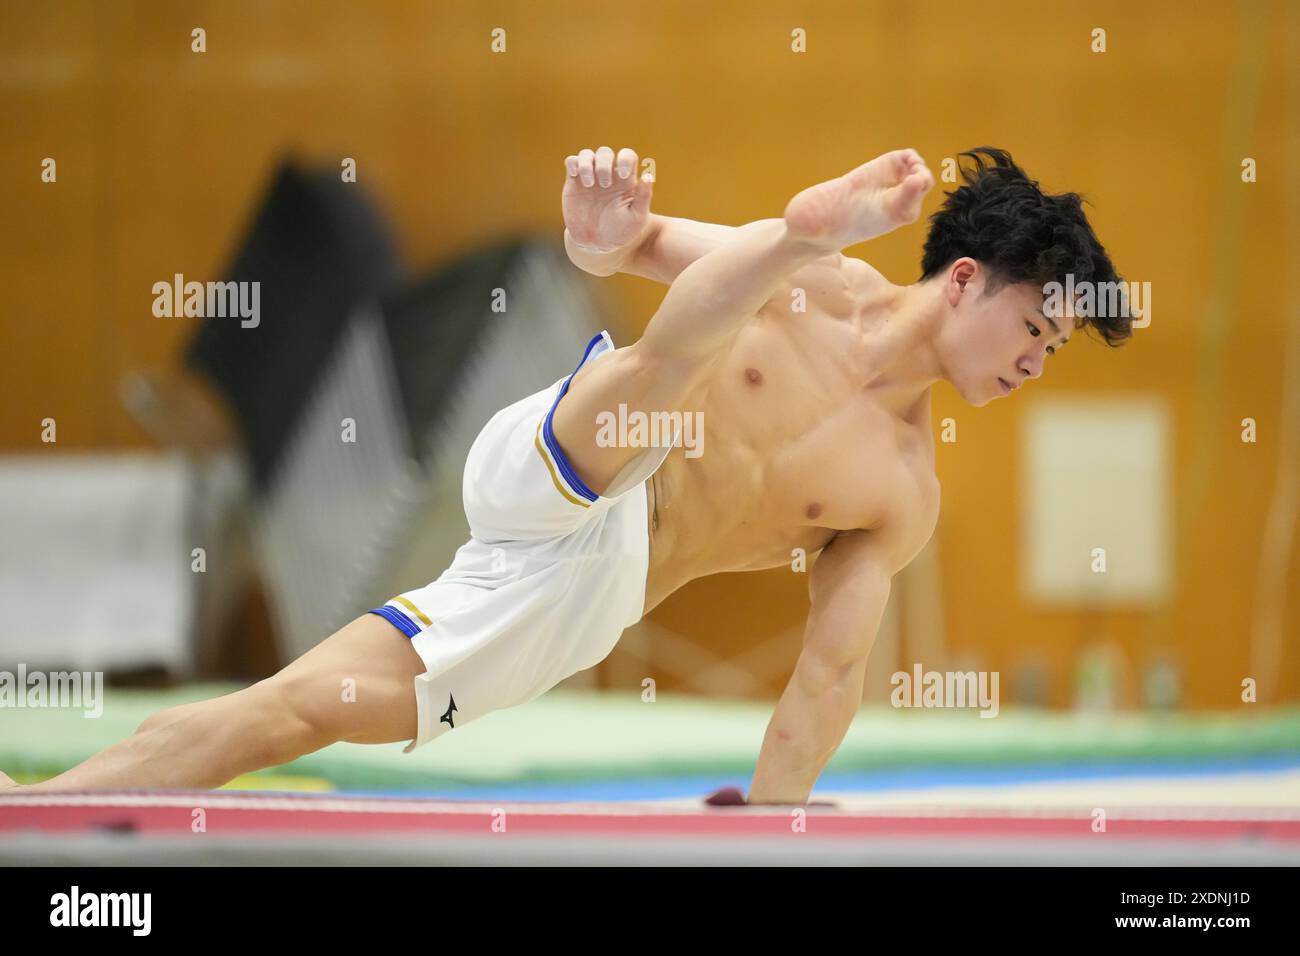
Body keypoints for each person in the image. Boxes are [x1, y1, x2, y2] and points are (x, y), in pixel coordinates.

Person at [2, 145, 1130, 804]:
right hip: (575, 442)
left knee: (292, 708)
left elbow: (826, 677)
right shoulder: (818, 286)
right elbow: (620, 249)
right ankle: (789, 232)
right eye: (1034, 327)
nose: (1035, 361)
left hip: (569, 590)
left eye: (1053, 350)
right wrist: (602, 229)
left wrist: (775, 819)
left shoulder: (902, 493)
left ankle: (41, 809)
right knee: (685, 350)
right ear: (964, 280)